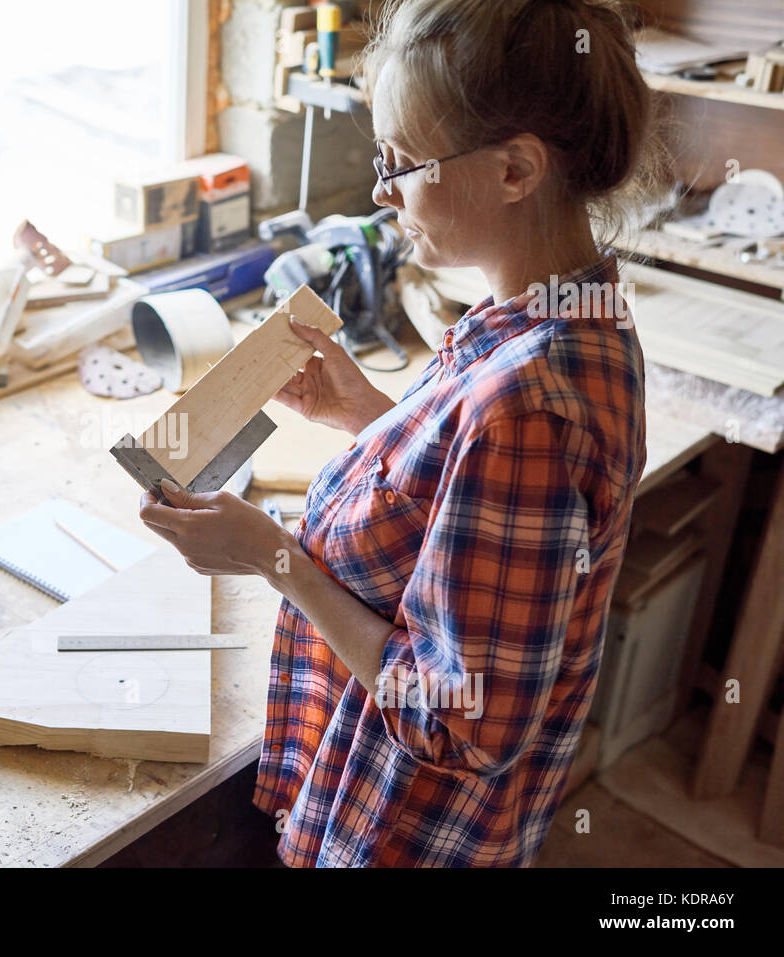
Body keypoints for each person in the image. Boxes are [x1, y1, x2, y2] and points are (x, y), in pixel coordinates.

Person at [138, 0, 656, 866]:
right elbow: (460, 501)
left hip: (408, 834)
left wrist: (273, 558)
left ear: (516, 170)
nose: (382, 191)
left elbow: (457, 718)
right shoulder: (557, 313)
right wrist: (368, 413)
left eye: (405, 163)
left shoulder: (528, 407)